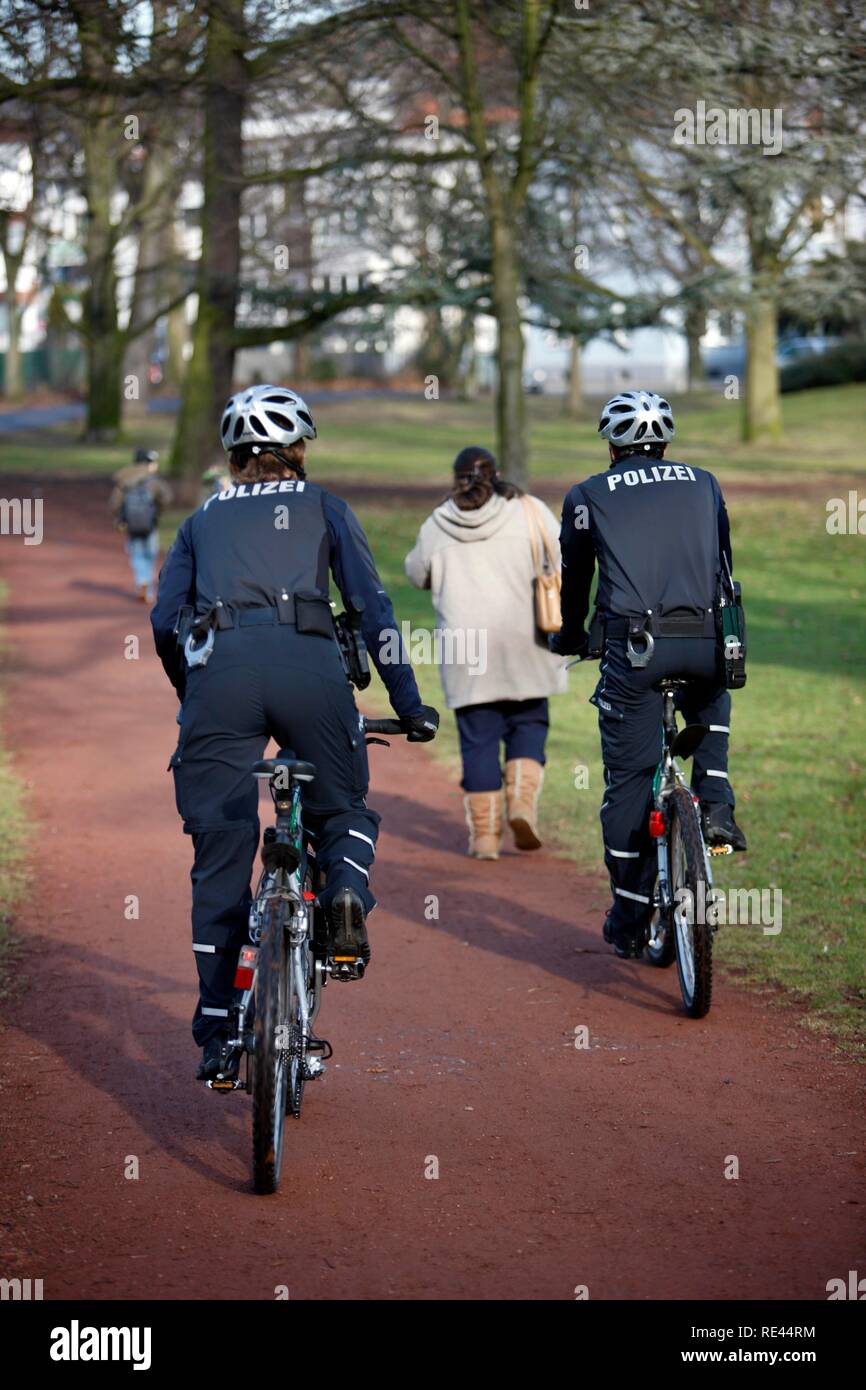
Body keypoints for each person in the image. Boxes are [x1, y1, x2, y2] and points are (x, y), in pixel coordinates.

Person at [151, 384, 438, 1080]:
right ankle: (342, 886)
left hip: (223, 677)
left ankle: (220, 1028)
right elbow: (372, 608)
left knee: (221, 851)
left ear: (234, 455)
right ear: (299, 449)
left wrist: (198, 701)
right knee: (342, 807)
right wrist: (411, 701)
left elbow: (165, 623)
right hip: (310, 668)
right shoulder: (324, 506)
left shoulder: (200, 521)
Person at [551, 389, 747, 960]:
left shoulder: (586, 494)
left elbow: (576, 579)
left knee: (629, 783)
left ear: (613, 445)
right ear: (663, 443)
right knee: (709, 704)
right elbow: (724, 566)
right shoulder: (705, 483)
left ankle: (631, 914)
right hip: (709, 638)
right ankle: (715, 807)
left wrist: (570, 636)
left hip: (636, 650)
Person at [405, 446, 566, 860]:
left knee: (478, 741)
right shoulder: (530, 511)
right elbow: (561, 559)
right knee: (529, 722)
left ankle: (485, 839)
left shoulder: (438, 522)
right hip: (524, 641)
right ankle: (522, 804)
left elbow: (415, 573)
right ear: (495, 475)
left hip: (467, 652)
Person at [110, 449, 172, 603]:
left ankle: (142, 582)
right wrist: (157, 512)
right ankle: (148, 586)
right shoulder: (153, 482)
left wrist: (121, 517)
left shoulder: (125, 479)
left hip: (131, 525)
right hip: (150, 524)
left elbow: (114, 503)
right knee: (150, 555)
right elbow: (167, 497)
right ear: (148, 464)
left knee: (137, 555)